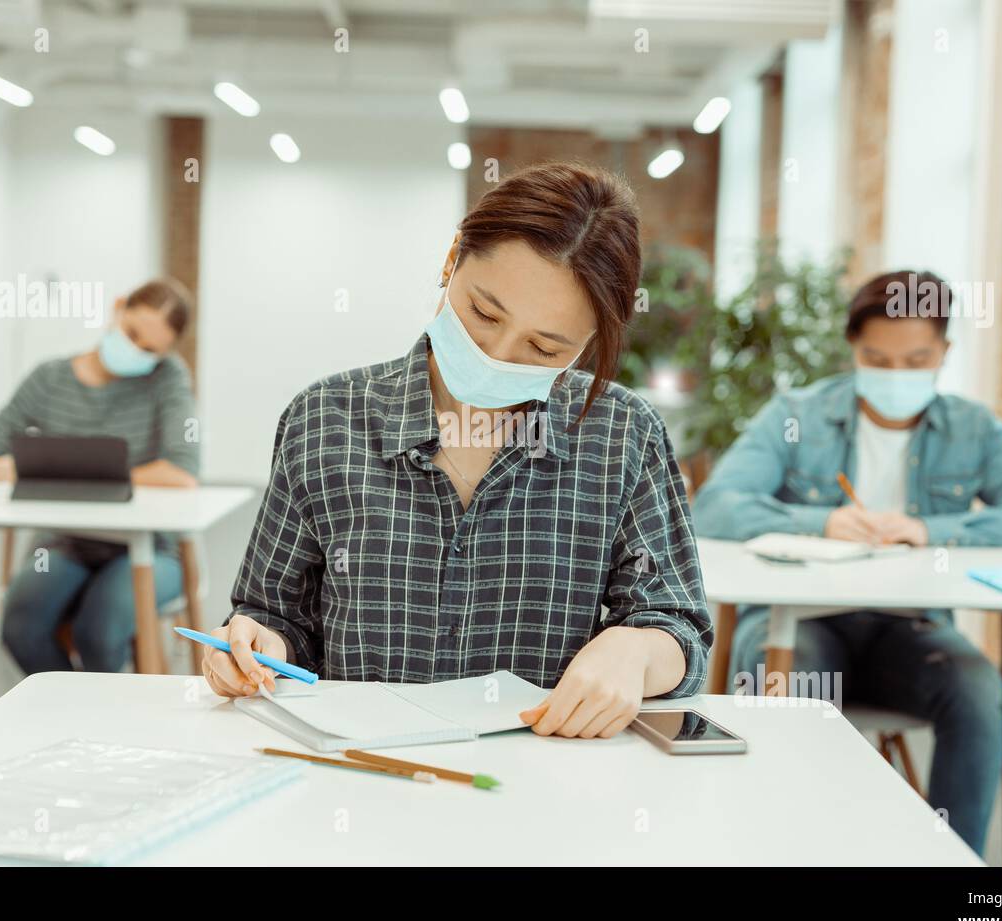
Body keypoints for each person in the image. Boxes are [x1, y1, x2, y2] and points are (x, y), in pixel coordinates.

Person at [200, 162, 713, 739]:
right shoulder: (326, 419)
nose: (496, 352)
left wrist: (638, 650)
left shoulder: (623, 434)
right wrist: (251, 646)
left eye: (544, 348)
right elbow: (272, 615)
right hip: (359, 774)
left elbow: (679, 629)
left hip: (541, 778)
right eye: (483, 313)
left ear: (590, 343)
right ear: (451, 261)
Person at [691, 269, 1002, 853]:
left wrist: (928, 529)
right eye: (878, 358)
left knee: (977, 692)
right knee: (783, 679)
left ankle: (955, 858)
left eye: (917, 359)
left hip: (910, 631)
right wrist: (821, 521)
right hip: (800, 623)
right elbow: (716, 505)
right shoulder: (797, 413)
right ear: (853, 350)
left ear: (944, 351)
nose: (897, 375)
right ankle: (786, 852)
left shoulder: (973, 428)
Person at [0, 278, 200, 674]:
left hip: (149, 548)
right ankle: (72, 718)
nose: (136, 350)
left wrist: (90, 475)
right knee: (20, 628)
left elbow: (182, 473)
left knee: (99, 631)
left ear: (167, 351)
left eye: (150, 349)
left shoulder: (167, 378)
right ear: (118, 308)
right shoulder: (49, 379)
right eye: (132, 334)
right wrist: (28, 467)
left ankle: (106, 731)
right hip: (63, 544)